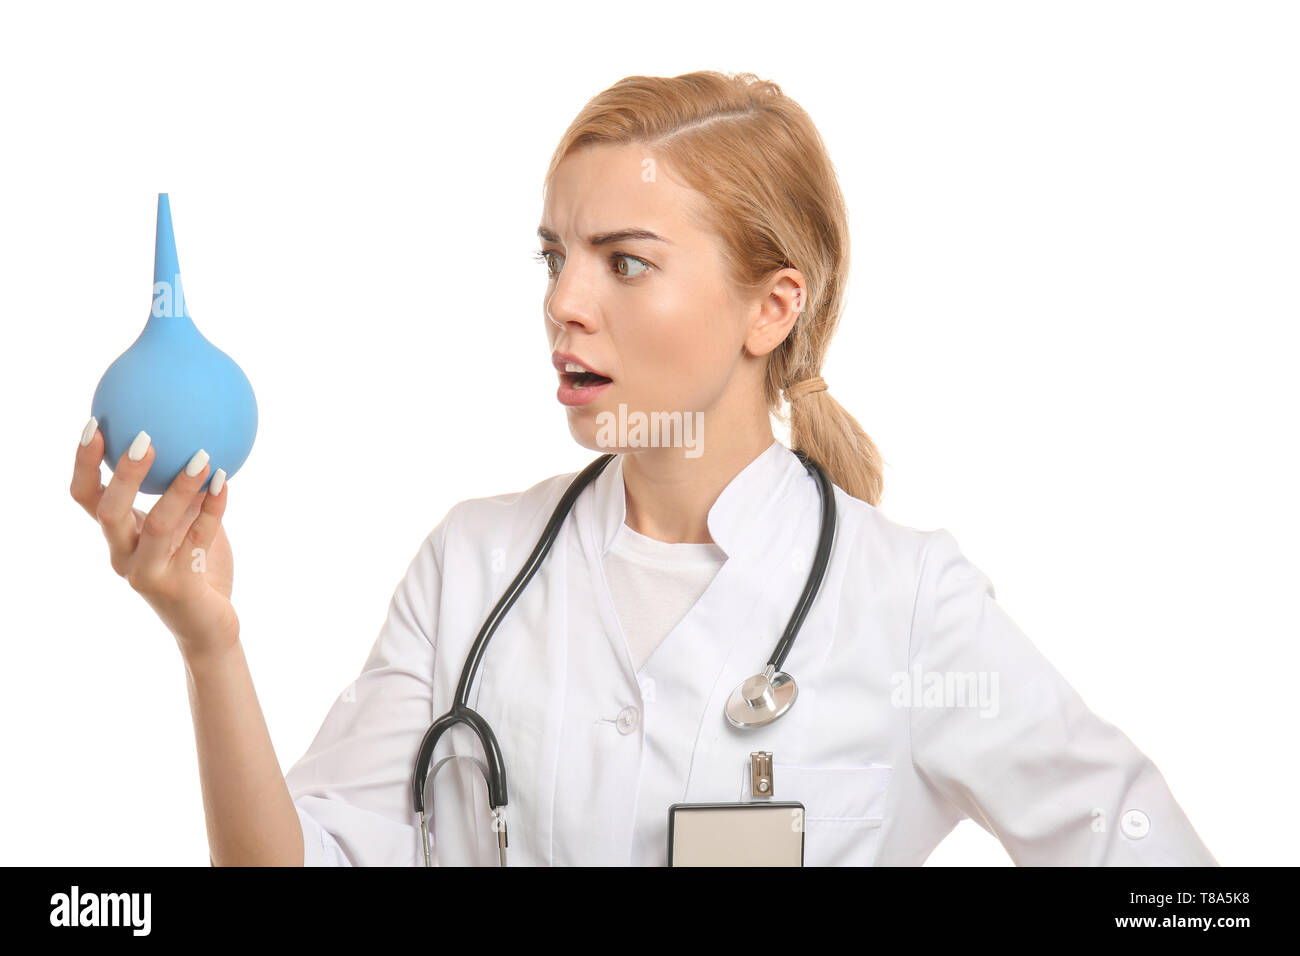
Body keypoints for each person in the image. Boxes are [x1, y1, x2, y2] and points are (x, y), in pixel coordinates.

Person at [69, 70, 1217, 866]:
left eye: (625, 262)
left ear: (772, 306)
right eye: (556, 256)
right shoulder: (473, 565)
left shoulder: (906, 605)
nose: (565, 303)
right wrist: (207, 639)